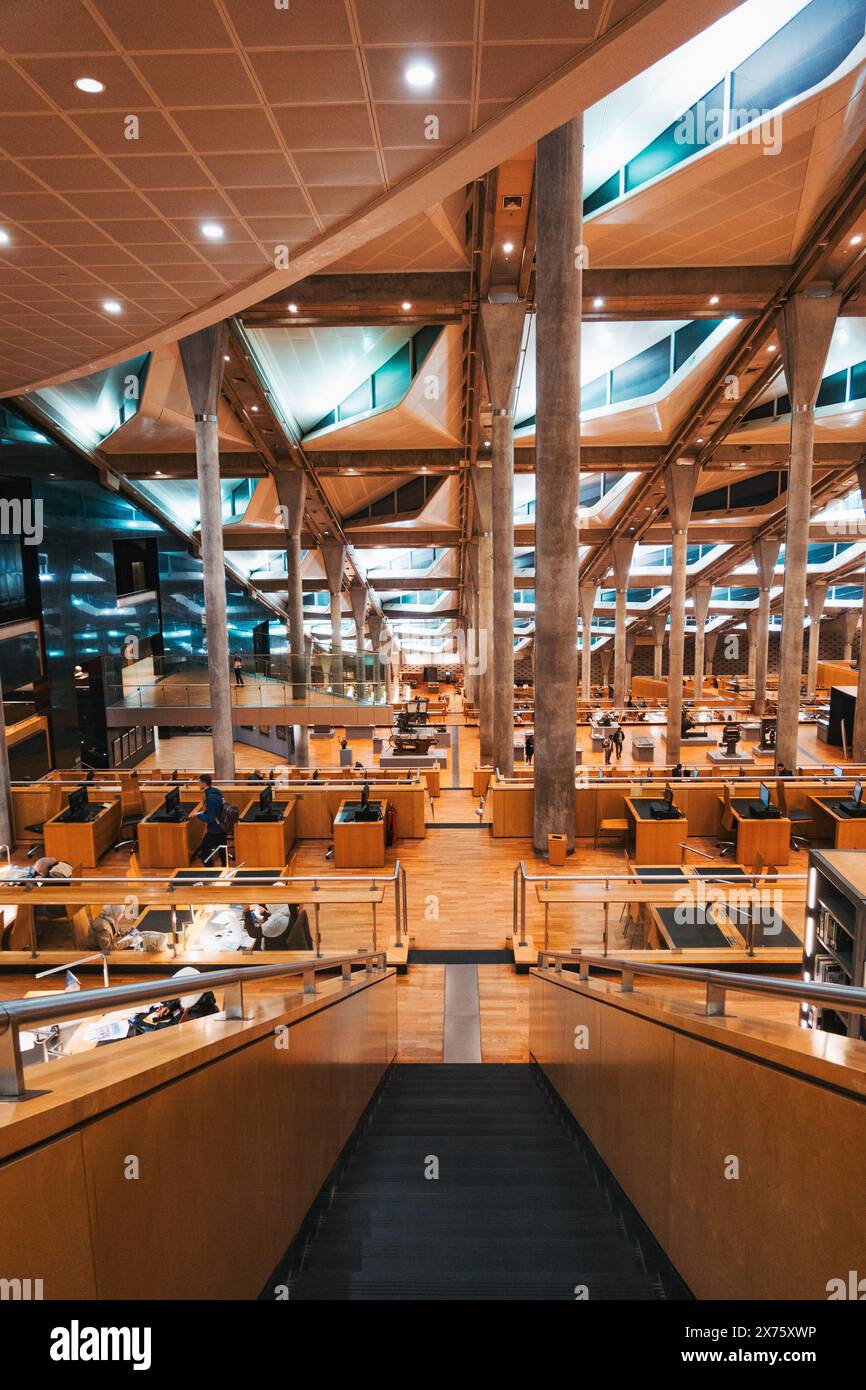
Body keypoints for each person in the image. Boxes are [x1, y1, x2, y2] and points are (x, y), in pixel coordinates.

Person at [193, 774, 226, 864]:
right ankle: (225, 869)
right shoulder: (217, 792)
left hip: (215, 830)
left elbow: (210, 819)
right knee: (223, 850)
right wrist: (204, 813)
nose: (198, 784)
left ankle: (210, 873)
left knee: (204, 853)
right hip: (223, 827)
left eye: (199, 782)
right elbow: (217, 809)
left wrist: (198, 815)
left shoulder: (209, 799)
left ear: (204, 783)